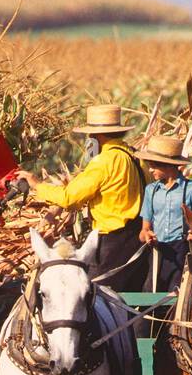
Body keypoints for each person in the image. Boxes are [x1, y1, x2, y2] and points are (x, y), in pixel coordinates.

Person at [15, 103, 147, 291]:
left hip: (112, 242)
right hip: (136, 237)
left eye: (91, 135)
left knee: (92, 295)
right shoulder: (134, 156)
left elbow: (70, 198)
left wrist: (37, 184)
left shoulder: (104, 162)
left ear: (97, 136)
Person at [135, 135, 192, 293]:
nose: (150, 170)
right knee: (150, 297)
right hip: (158, 253)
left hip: (182, 252)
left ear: (168, 165)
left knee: (178, 296)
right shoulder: (151, 191)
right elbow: (143, 231)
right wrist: (147, 235)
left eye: (154, 166)